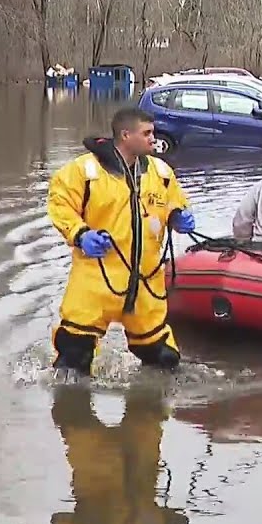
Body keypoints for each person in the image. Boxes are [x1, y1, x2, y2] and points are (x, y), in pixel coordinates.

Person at [46, 107, 197, 375]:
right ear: (126, 135)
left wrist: (177, 215)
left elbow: (174, 201)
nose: (154, 139)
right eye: (147, 133)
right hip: (96, 281)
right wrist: (80, 234)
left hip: (145, 284)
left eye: (153, 133)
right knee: (73, 361)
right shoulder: (85, 171)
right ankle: (72, 412)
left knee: (164, 359)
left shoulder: (161, 173)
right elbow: (60, 203)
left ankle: (151, 411)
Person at [50, 384, 189, 524]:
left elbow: (57, 521)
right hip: (136, 447)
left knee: (72, 392)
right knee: (149, 398)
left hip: (94, 452)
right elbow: (180, 521)